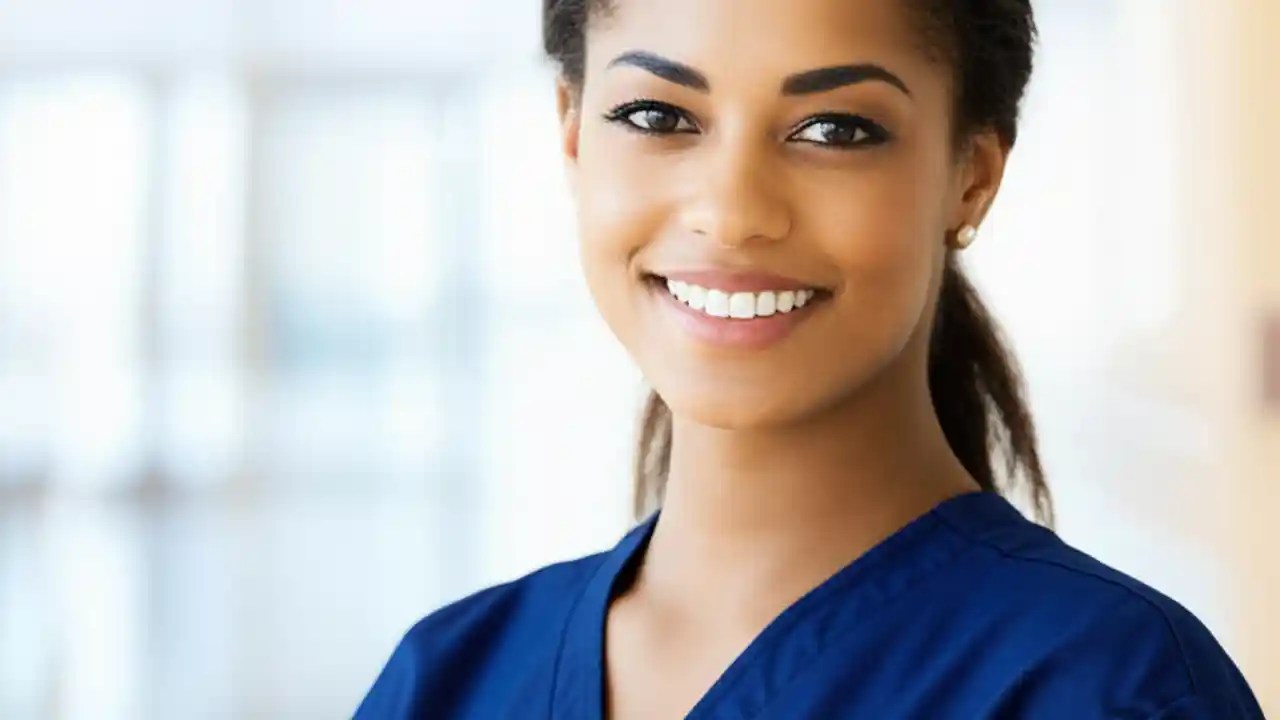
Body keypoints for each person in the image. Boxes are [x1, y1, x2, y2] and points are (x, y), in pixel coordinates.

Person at [354, 0, 1266, 717]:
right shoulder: (446, 680)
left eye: (834, 129)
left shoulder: (1110, 691)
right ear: (572, 134)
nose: (734, 209)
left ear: (971, 176)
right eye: (656, 114)